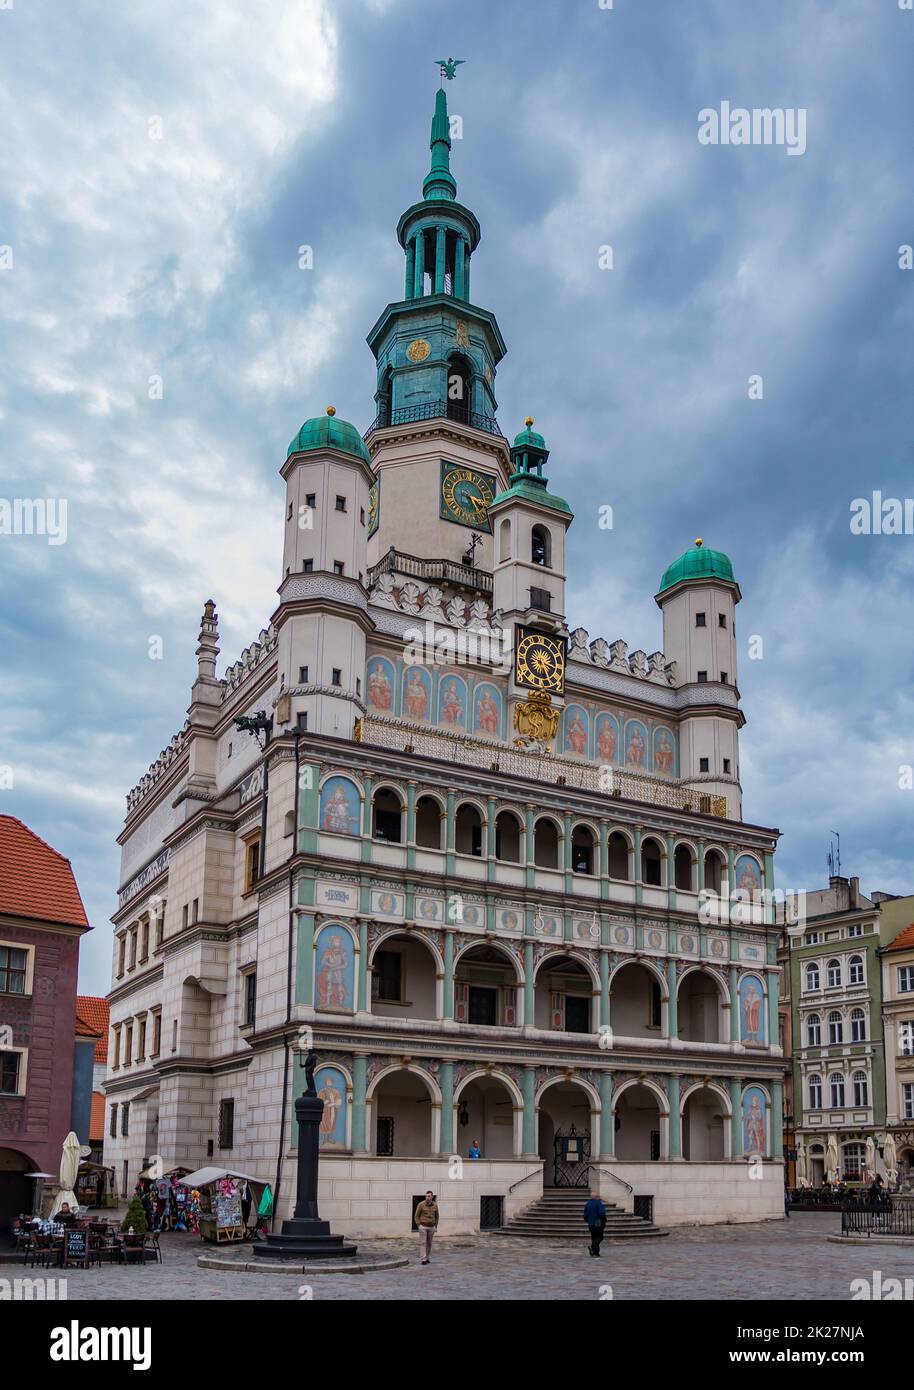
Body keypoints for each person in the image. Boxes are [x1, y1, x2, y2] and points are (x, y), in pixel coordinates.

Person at [414, 1191, 439, 1265]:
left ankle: (427, 1257)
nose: (427, 1197)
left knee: (429, 1243)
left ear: (432, 1197)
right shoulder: (421, 1204)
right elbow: (416, 1216)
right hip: (423, 1226)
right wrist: (419, 1225)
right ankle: (423, 1259)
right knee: (423, 1243)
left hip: (431, 1227)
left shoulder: (435, 1205)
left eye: (429, 1196)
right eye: (426, 1196)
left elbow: (437, 1216)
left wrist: (435, 1226)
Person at [583, 1190, 606, 1257]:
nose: (599, 1197)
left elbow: (585, 1215)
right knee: (600, 1237)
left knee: (594, 1237)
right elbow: (602, 1213)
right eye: (598, 1196)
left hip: (590, 1224)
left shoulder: (588, 1203)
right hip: (598, 1223)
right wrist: (603, 1219)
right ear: (596, 1197)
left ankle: (595, 1252)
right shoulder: (598, 1203)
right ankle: (593, 1247)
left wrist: (588, 1221)